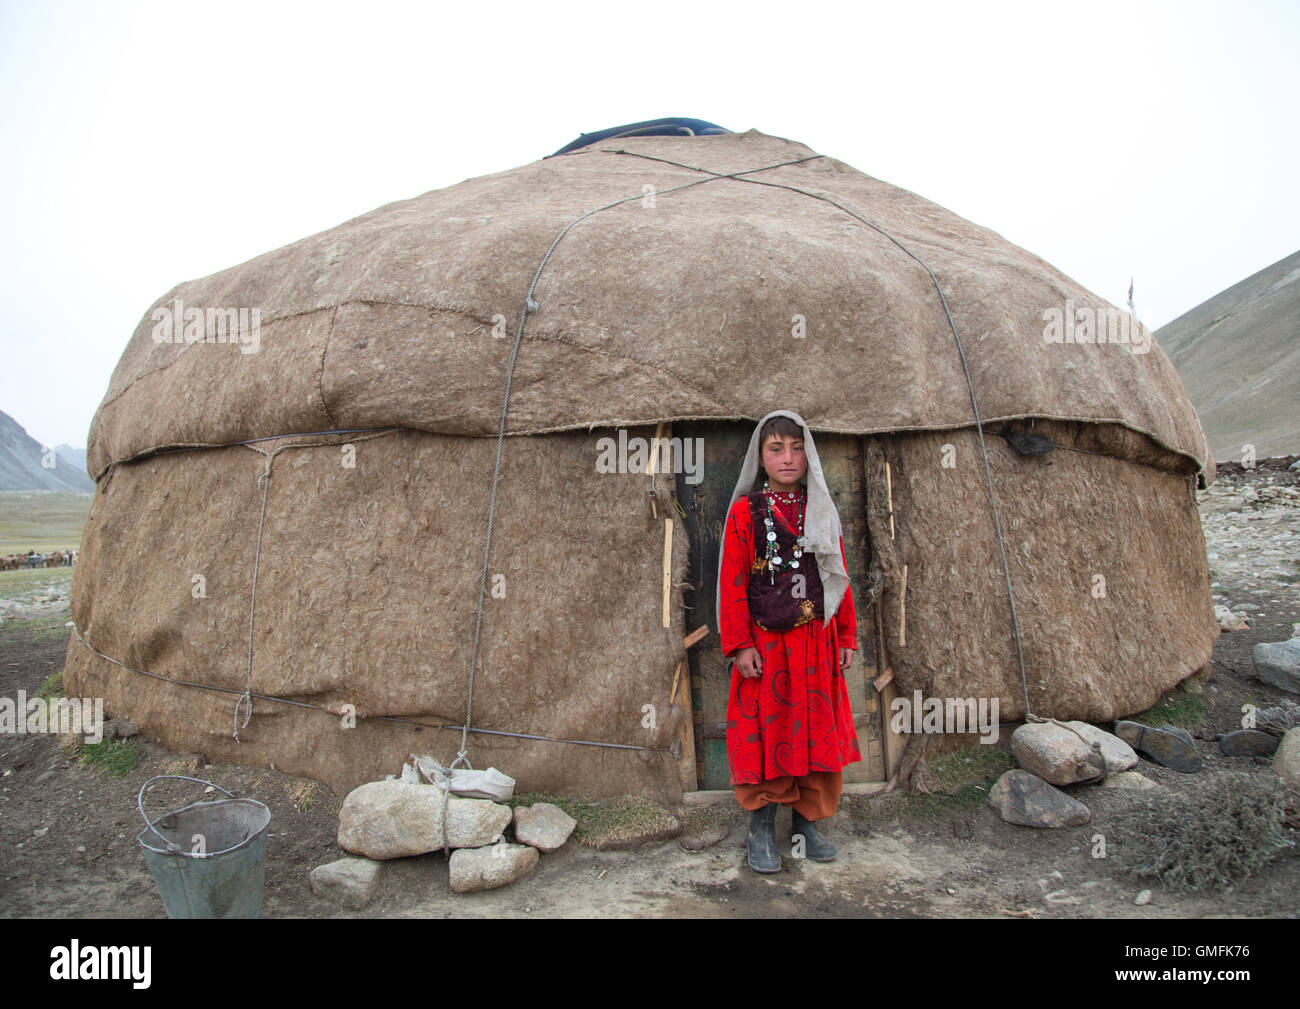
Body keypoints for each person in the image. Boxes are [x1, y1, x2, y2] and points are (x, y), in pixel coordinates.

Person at [716, 409, 861, 873]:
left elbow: (839, 576)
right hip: (766, 645)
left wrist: (846, 635)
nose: (788, 458)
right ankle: (760, 829)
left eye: (797, 448)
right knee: (767, 731)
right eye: (776, 448)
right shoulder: (746, 512)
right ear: (761, 458)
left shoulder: (820, 509)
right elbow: (732, 580)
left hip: (816, 643)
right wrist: (740, 645)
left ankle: (806, 825)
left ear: (809, 456)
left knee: (817, 730)